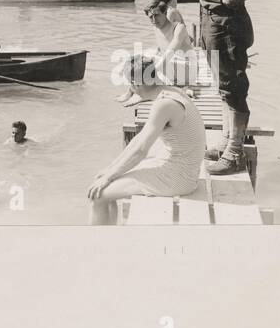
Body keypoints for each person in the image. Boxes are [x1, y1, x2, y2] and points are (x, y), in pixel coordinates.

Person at [86, 54, 206, 224]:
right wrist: (110, 170)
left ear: (137, 84)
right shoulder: (171, 91)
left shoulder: (164, 104)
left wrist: (109, 176)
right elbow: (137, 141)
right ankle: (110, 235)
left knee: (97, 196)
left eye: (130, 84)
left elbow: (141, 151)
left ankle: (98, 240)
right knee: (104, 183)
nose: (130, 89)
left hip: (179, 178)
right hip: (184, 169)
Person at [196, 0, 261, 174]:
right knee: (224, 86)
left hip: (226, 26)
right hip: (214, 24)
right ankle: (226, 140)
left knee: (233, 88)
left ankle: (234, 153)